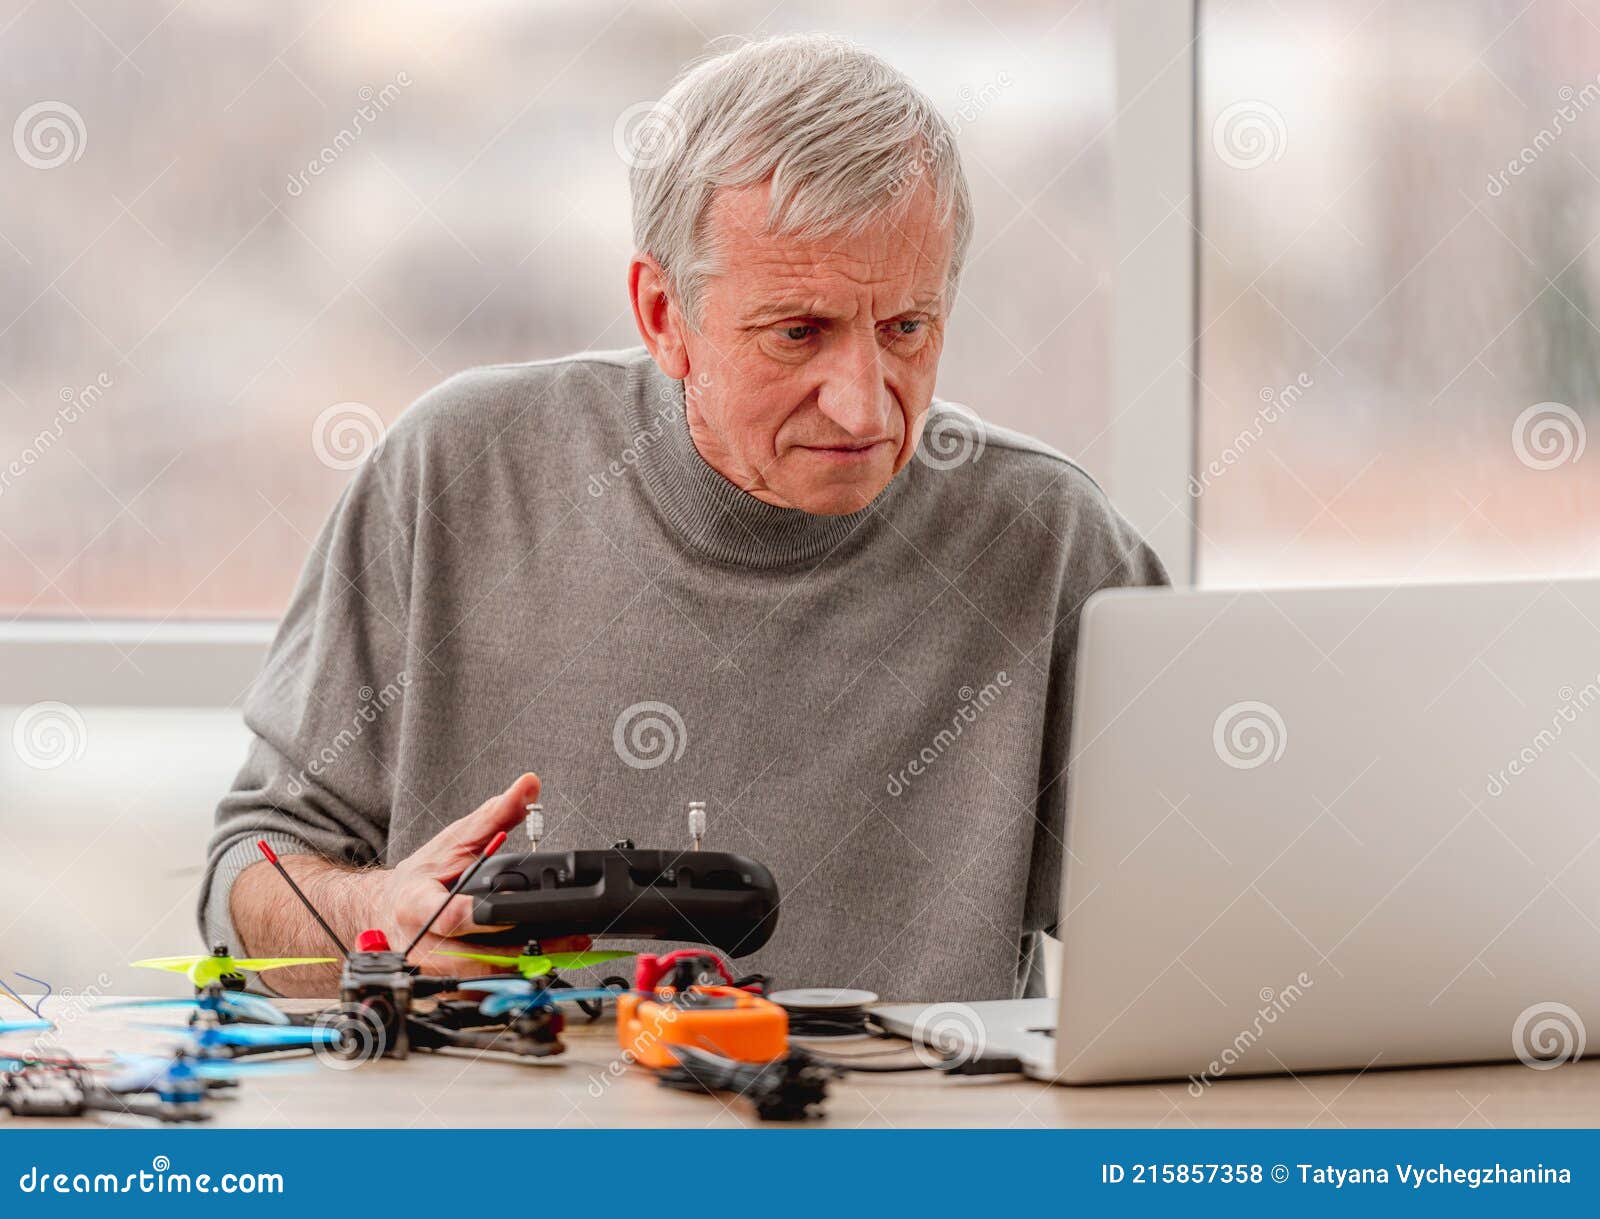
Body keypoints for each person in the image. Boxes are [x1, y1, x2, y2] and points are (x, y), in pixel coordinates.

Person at [203, 33, 1167, 999]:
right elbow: (250, 873)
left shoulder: (1051, 540)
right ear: (663, 315)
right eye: (799, 333)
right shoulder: (456, 471)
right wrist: (376, 918)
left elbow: (1211, 917)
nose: (867, 407)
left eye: (905, 329)